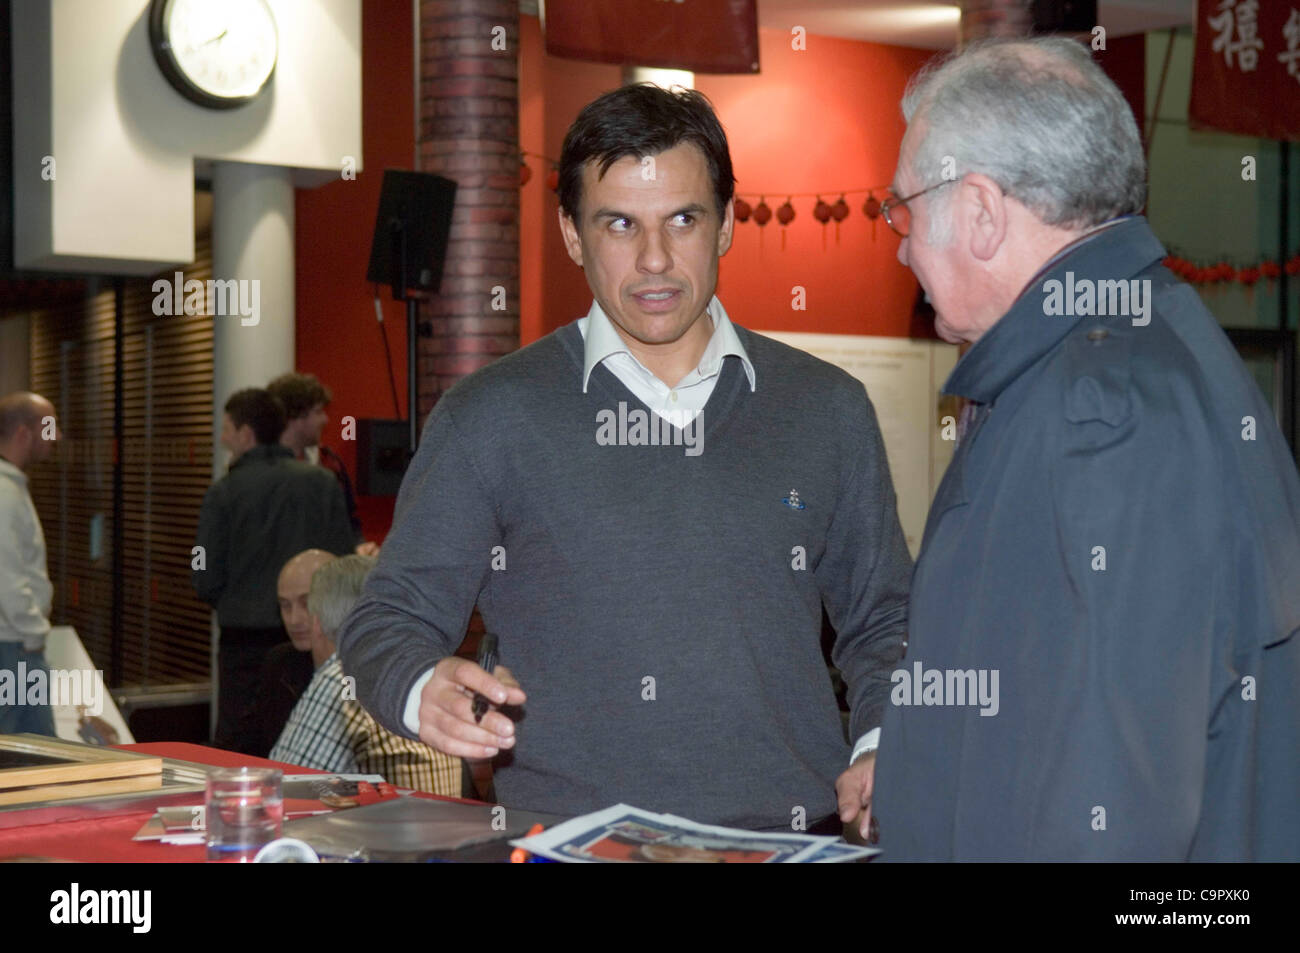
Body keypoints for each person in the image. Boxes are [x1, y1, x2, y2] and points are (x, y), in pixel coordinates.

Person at [337, 84, 911, 831]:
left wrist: (880, 740)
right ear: (573, 235)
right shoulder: (491, 415)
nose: (654, 259)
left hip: (789, 839)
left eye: (683, 219)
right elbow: (385, 619)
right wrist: (422, 686)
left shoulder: (827, 409)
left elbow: (885, 621)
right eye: (618, 224)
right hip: (568, 841)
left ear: (728, 225)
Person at [871, 37, 1300, 861]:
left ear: (984, 213)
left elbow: (1103, 813)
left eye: (904, 209)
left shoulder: (1098, 413)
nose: (900, 245)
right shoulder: (1141, 343)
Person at [193, 388, 356, 755]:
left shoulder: (223, 493)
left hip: (243, 644)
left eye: (227, 429)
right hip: (316, 640)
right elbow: (344, 562)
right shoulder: (322, 483)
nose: (222, 439)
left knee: (239, 744)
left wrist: (230, 600)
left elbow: (203, 568)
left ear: (246, 434)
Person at [271, 554, 463, 796]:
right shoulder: (421, 671)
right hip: (444, 825)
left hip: (381, 829)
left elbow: (286, 791)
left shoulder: (341, 677)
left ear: (316, 620)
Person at [267, 372, 378, 557]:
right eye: (318, 412)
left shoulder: (330, 464)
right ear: (294, 417)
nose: (325, 419)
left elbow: (350, 523)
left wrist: (359, 547)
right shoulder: (259, 472)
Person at [0, 392, 59, 736]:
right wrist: (33, 634)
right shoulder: (5, 494)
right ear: (24, 433)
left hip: (15, 644)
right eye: (49, 427)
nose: (57, 435)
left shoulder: (12, 488)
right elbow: (7, 577)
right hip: (15, 647)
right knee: (28, 757)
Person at [257, 548, 335, 756]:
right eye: (285, 606)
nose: (294, 620)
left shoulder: (364, 673)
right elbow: (245, 745)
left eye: (306, 603)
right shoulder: (279, 662)